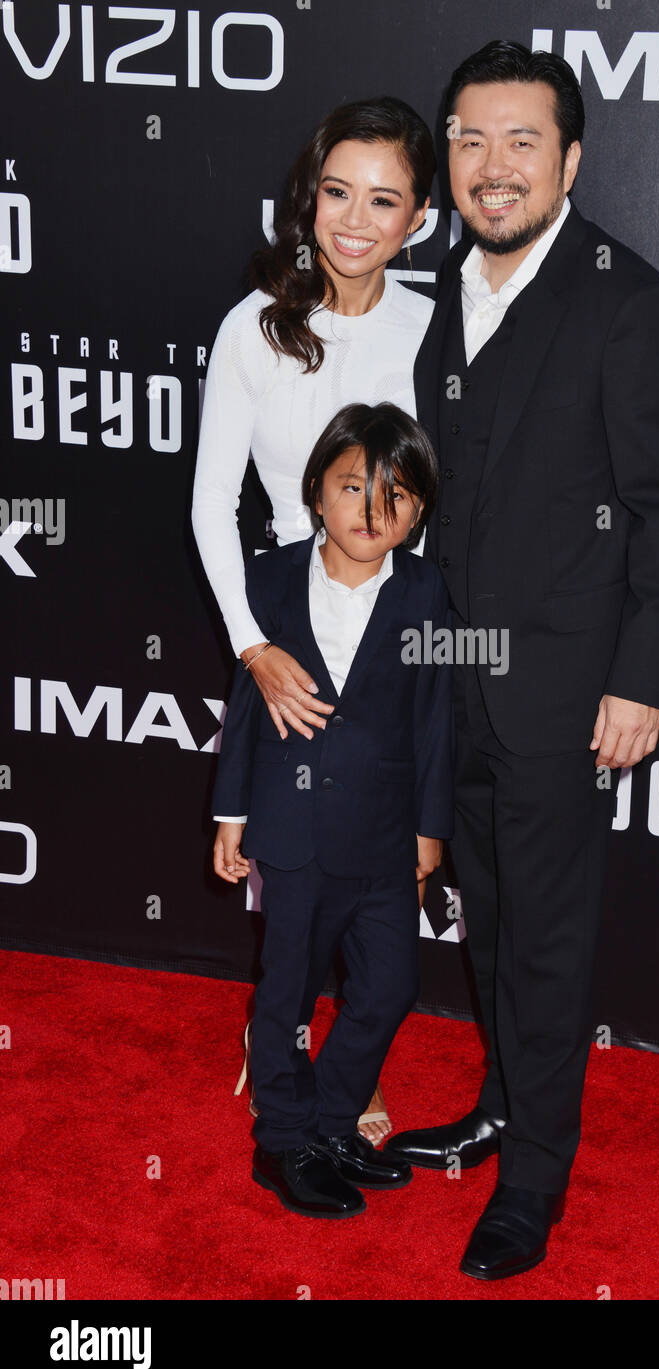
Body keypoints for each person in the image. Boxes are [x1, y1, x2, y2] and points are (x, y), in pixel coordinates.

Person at [385, 41, 659, 1279]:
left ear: (570, 159)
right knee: (490, 918)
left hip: (570, 691)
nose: (491, 164)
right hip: (454, 680)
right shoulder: (442, 297)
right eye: (468, 139)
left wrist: (639, 680)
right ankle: (499, 1107)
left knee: (545, 938)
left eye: (521, 140)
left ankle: (532, 1184)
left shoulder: (630, 301)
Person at [192, 96, 437, 1144]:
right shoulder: (253, 323)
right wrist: (253, 646)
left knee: (379, 863)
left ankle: (342, 1062)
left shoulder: (438, 323)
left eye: (383, 200)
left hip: (398, 617)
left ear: (419, 218)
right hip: (288, 616)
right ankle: (275, 1039)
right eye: (336, 190)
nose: (353, 218)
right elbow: (212, 504)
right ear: (308, 193)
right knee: (295, 868)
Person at [210, 402, 454, 1218]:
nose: (372, 511)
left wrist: (429, 831)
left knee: (388, 987)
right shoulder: (271, 577)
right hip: (290, 827)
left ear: (419, 514)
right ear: (317, 491)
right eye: (353, 487)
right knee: (287, 994)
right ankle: (283, 1143)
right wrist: (232, 814)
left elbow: (434, 719)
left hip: (385, 837)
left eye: (397, 496)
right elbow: (245, 707)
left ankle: (329, 1121)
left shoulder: (428, 593)